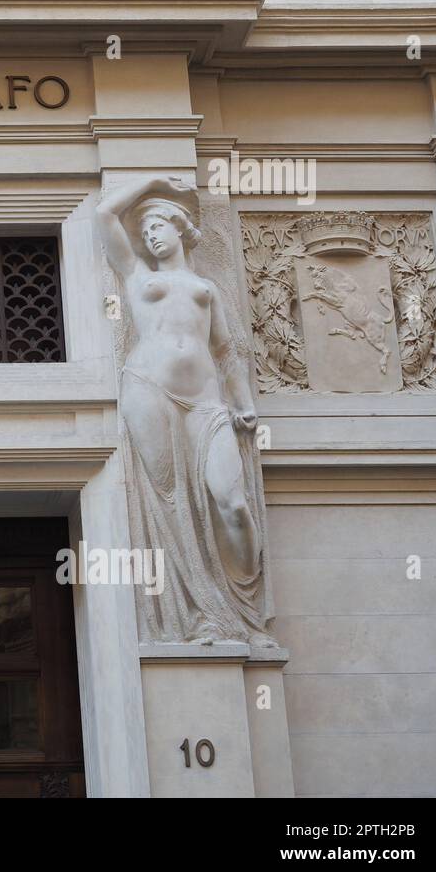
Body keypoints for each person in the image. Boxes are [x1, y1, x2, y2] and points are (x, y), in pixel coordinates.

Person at [97, 176, 274, 645]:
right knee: (171, 503)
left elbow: (227, 350)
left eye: (161, 225)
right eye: (148, 228)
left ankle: (244, 611)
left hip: (207, 402)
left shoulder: (206, 288)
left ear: (181, 231)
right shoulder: (137, 276)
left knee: (231, 501)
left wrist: (244, 402)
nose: (153, 234)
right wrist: (152, 181)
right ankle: (199, 616)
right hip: (148, 388)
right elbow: (103, 215)